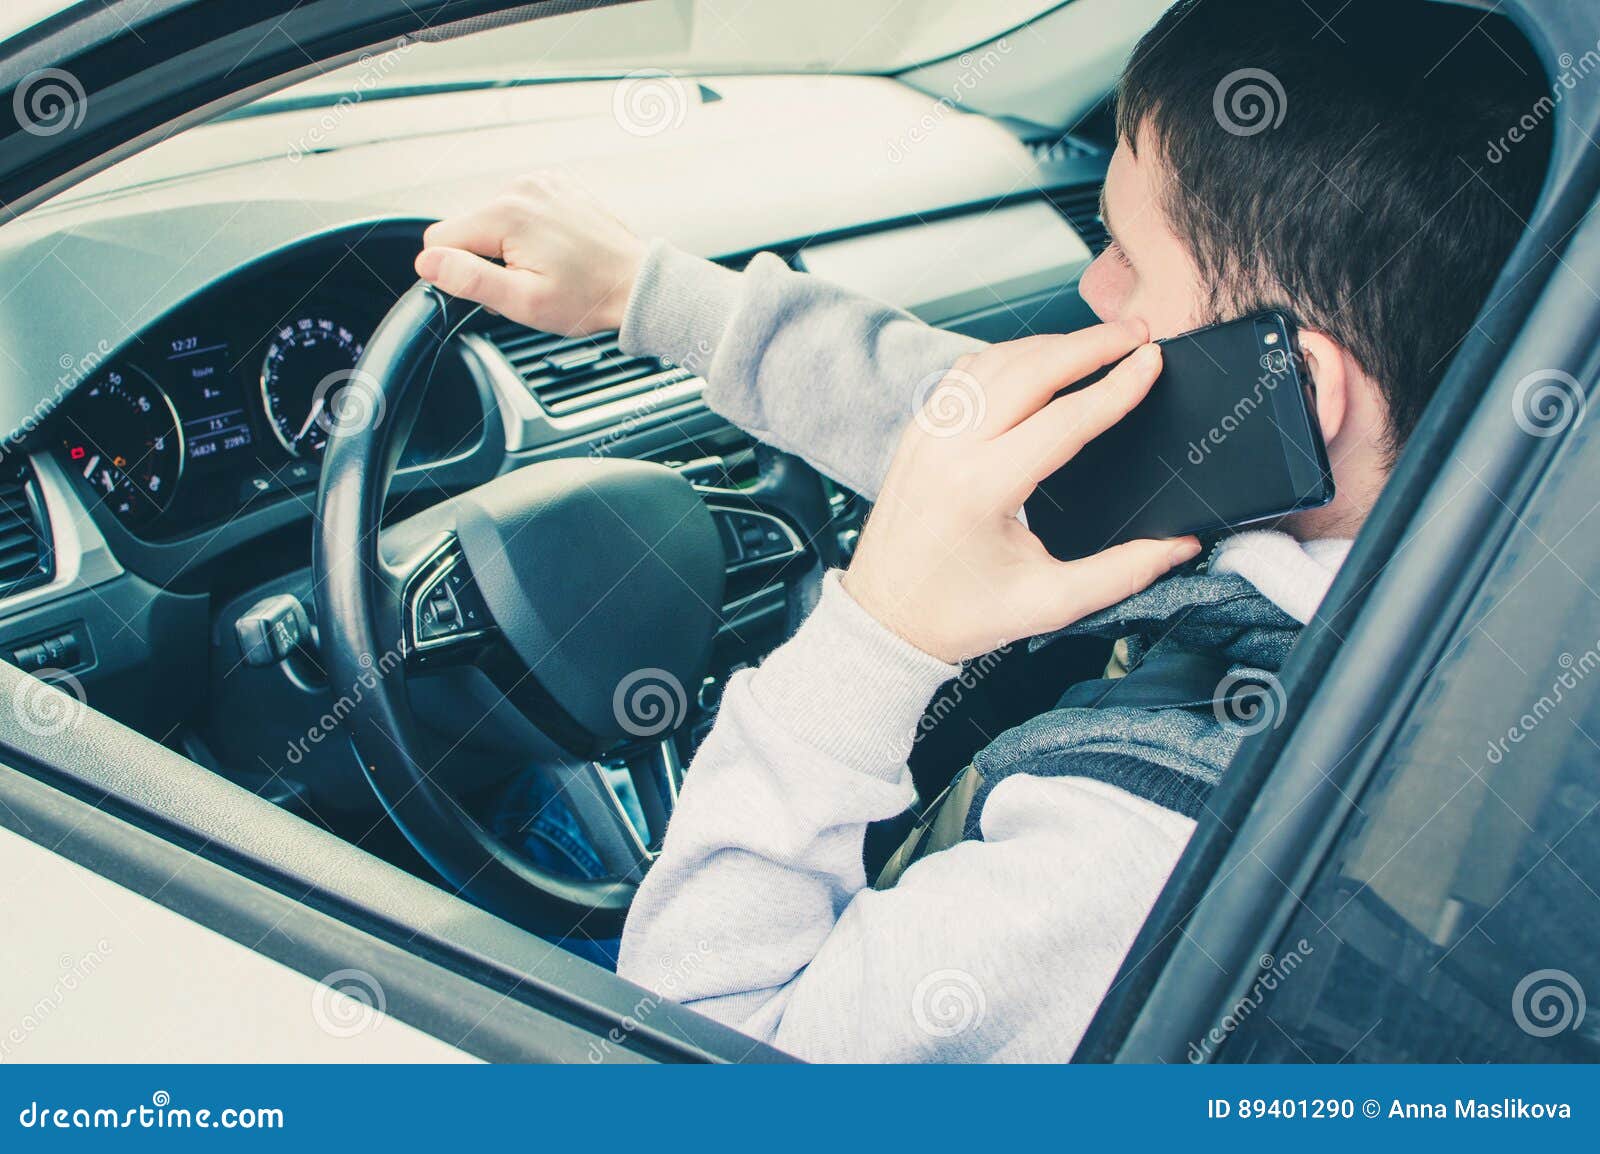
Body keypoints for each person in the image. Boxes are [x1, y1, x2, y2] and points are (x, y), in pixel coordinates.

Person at [414, 0, 1550, 1060]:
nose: (1094, 292)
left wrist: (876, 633)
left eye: (1124, 254)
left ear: (1293, 391)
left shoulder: (1124, 852)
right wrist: (645, 293)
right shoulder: (1502, 510)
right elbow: (1007, 427)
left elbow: (703, 1040)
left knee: (512, 827)